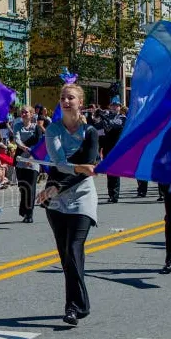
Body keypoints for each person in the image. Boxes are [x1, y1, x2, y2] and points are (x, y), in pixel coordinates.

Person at [36, 83, 99, 326]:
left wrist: (61, 184)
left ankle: (73, 306)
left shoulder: (90, 131)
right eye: (62, 97)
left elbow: (88, 169)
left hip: (82, 196)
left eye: (70, 97)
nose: (65, 100)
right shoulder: (52, 130)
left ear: (80, 102)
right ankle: (79, 303)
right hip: (56, 199)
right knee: (67, 256)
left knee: (74, 249)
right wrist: (57, 187)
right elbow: (59, 163)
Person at [13, 105, 43, 223]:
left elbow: (40, 144)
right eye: (22, 112)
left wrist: (32, 157)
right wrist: (23, 147)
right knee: (23, 186)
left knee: (31, 187)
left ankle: (29, 214)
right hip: (20, 159)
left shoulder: (37, 128)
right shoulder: (17, 126)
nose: (24, 114)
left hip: (33, 160)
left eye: (26, 112)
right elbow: (17, 139)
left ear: (31, 114)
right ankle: (23, 207)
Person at [92, 97, 125, 203]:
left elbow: (113, 124)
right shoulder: (107, 116)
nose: (114, 107)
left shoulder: (122, 117)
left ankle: (114, 195)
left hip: (116, 148)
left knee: (114, 171)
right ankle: (111, 194)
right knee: (109, 171)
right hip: (107, 147)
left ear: (120, 107)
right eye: (113, 105)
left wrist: (102, 115)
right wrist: (95, 116)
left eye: (117, 105)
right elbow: (97, 128)